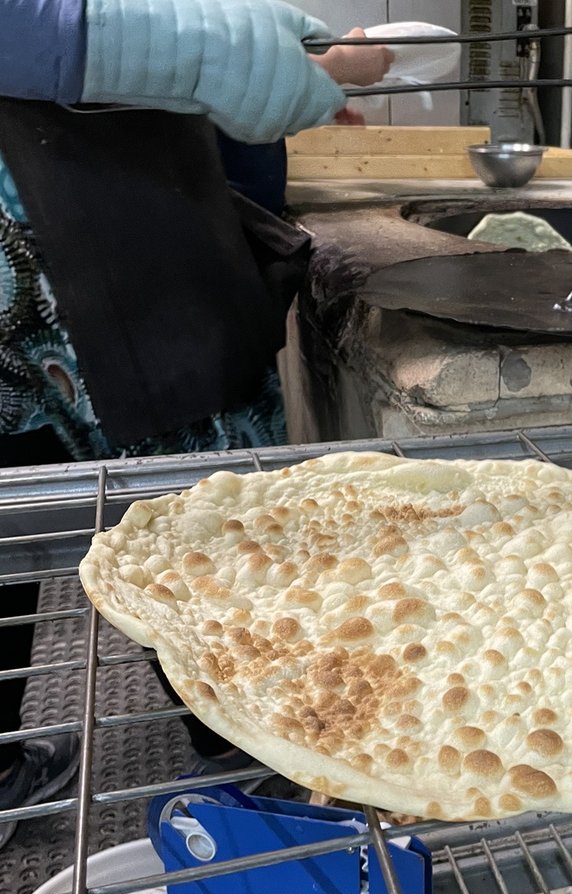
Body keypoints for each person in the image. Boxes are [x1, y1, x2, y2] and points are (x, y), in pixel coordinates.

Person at [0, 0, 393, 848]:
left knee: (8, 518)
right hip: (97, 238)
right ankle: (253, 787)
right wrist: (199, 52)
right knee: (208, 532)